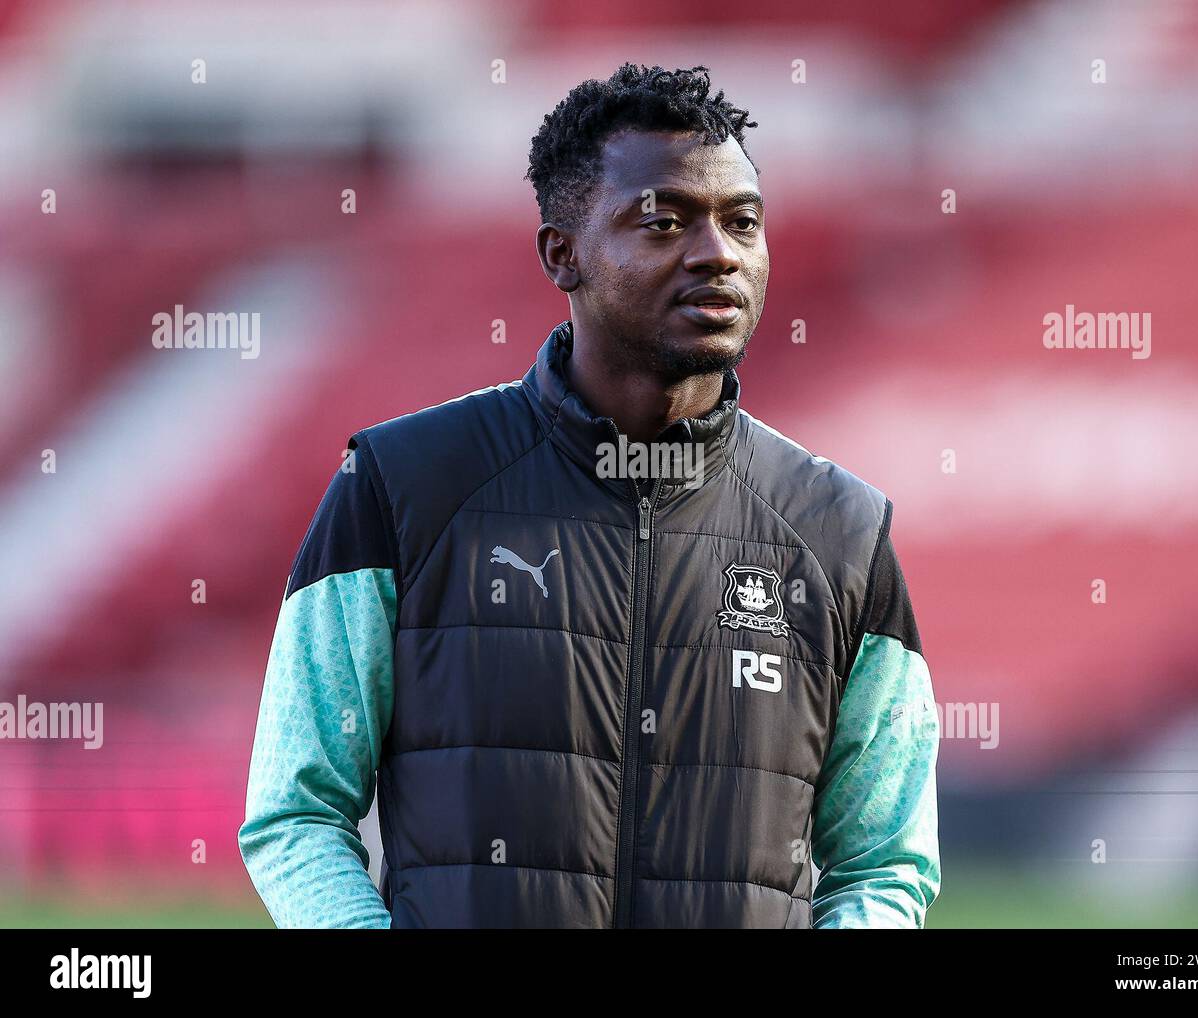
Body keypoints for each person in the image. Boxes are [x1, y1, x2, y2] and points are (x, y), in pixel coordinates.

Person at [238, 62, 940, 929]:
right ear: (561, 255)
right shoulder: (401, 483)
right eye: (663, 221)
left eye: (742, 222)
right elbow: (295, 809)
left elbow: (886, 860)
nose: (717, 252)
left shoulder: (843, 532)